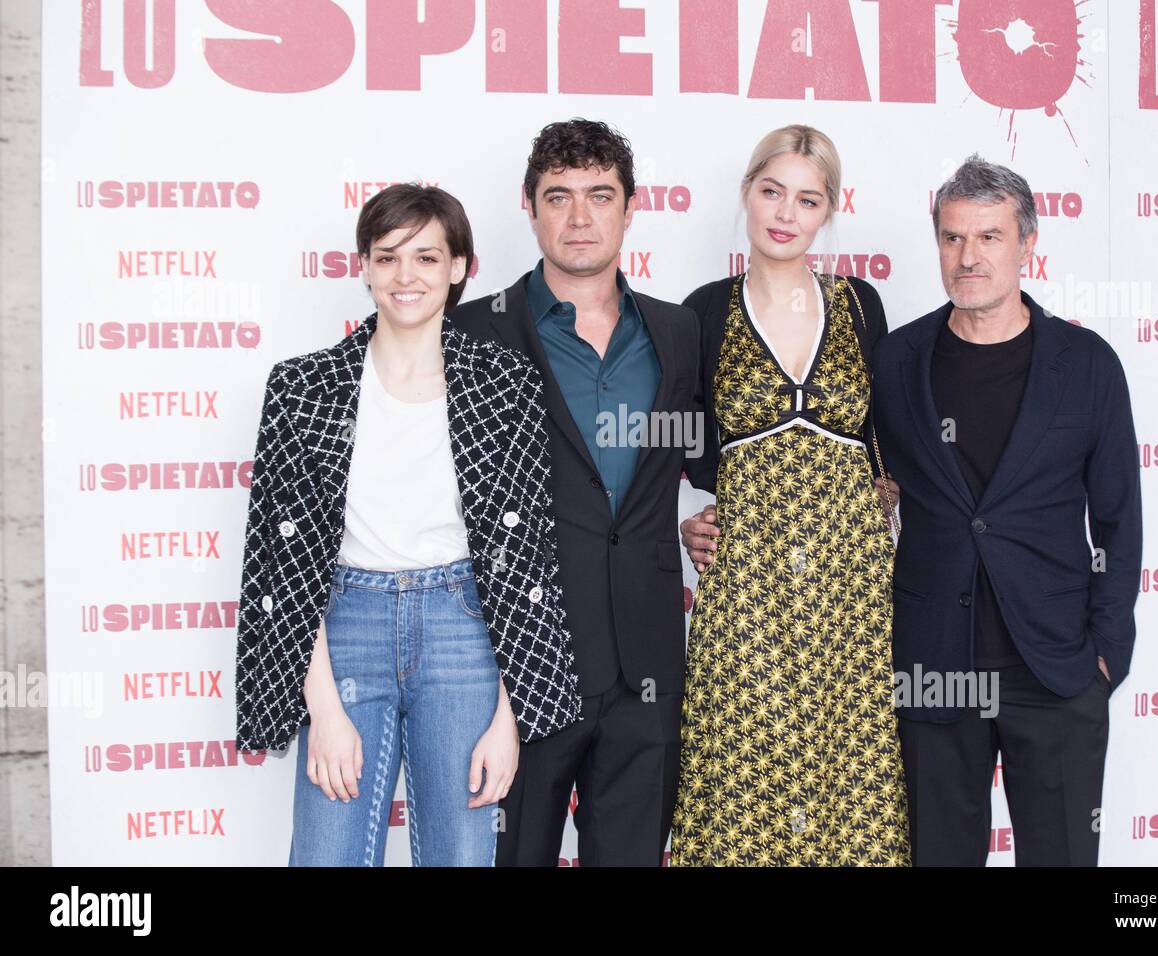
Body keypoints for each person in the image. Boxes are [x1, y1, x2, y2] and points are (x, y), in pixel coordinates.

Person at [235, 183, 581, 866]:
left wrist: (508, 719)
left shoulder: (505, 383)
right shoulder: (302, 387)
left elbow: (532, 557)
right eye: (388, 257)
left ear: (459, 268)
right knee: (325, 854)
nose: (405, 276)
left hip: (463, 633)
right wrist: (323, 708)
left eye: (426, 258)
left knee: (459, 855)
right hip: (346, 629)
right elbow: (281, 566)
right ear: (363, 266)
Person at [872, 155, 1140, 865]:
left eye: (989, 237)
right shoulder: (897, 360)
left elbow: (1120, 518)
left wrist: (1105, 654)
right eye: (954, 238)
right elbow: (850, 475)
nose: (968, 257)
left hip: (1053, 666)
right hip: (932, 663)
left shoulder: (1086, 364)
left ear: (1027, 245)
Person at [451, 119, 703, 866]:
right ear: (528, 206)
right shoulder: (470, 332)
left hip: (648, 662)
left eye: (600, 195)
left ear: (631, 209)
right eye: (558, 196)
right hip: (520, 666)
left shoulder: (679, 330)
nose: (580, 216)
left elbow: (711, 461)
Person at [673, 125, 909, 865]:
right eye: (772, 191)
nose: (785, 212)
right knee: (738, 772)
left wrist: (893, 491)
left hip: (851, 588)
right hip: (746, 586)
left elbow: (894, 435)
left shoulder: (861, 306)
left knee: (852, 779)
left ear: (828, 211)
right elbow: (681, 450)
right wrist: (688, 522)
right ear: (746, 192)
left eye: (807, 199)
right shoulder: (704, 311)